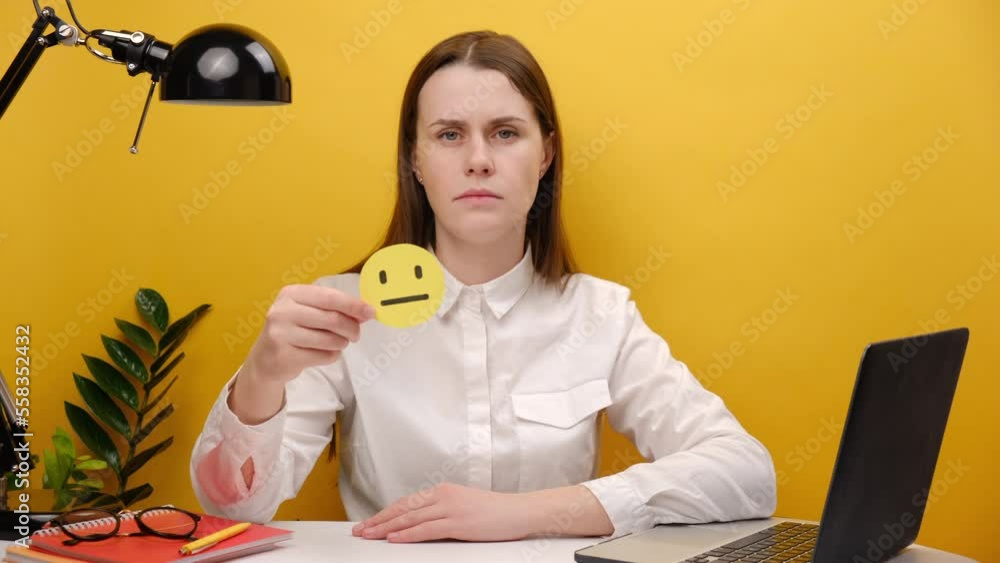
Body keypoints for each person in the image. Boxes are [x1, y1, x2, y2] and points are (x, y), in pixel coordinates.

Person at [190, 30, 776, 544]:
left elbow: (747, 473)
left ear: (545, 154)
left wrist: (523, 514)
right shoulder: (344, 310)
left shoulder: (600, 313)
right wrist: (262, 378)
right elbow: (234, 507)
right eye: (448, 135)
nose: (478, 160)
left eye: (504, 133)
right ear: (415, 161)